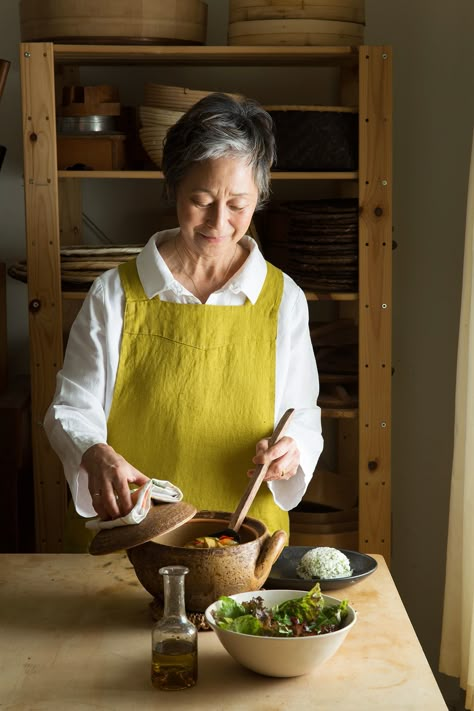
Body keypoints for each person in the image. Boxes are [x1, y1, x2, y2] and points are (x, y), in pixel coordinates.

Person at [44, 92, 324, 551]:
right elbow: (70, 410)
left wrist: (292, 450)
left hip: (245, 542)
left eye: (238, 204)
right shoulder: (116, 293)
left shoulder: (283, 299)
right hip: (134, 535)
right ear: (173, 187)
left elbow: (303, 415)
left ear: (260, 198)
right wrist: (93, 453)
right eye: (202, 199)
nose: (219, 221)